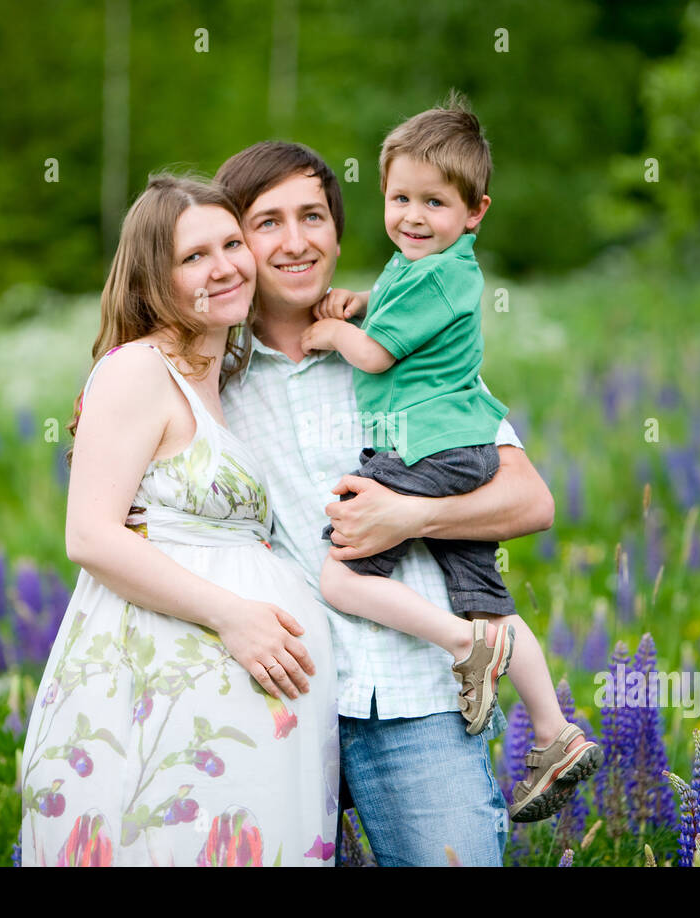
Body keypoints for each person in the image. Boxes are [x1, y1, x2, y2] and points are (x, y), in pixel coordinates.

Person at [216, 141, 552, 865]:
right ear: (235, 243)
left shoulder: (405, 353)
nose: (297, 240)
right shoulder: (216, 382)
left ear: (339, 234)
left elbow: (530, 500)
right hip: (279, 700)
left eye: (313, 217)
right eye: (268, 222)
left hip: (417, 694)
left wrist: (414, 517)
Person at [20, 174, 338, 867]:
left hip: (241, 728)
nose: (225, 265)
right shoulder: (137, 371)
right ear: (153, 278)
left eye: (232, 243)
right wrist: (235, 616)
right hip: (152, 707)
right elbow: (90, 536)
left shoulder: (223, 374)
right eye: (195, 256)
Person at [301, 95, 602, 824]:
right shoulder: (429, 264)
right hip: (460, 450)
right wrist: (363, 300)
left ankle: (463, 646)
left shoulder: (438, 273)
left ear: (476, 212)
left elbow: (372, 354)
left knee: (340, 576)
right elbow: (399, 306)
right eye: (399, 197)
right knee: (486, 597)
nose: (411, 215)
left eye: (434, 202)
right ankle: (555, 731)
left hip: (426, 448)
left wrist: (332, 334)